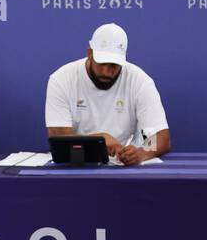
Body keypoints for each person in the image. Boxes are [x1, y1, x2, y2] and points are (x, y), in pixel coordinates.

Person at [45, 22, 170, 166]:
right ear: (90, 54)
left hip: (124, 166)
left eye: (113, 65)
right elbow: (58, 140)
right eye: (102, 63)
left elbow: (159, 136)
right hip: (77, 165)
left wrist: (141, 153)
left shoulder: (140, 81)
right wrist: (100, 140)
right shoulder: (62, 79)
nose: (106, 72)